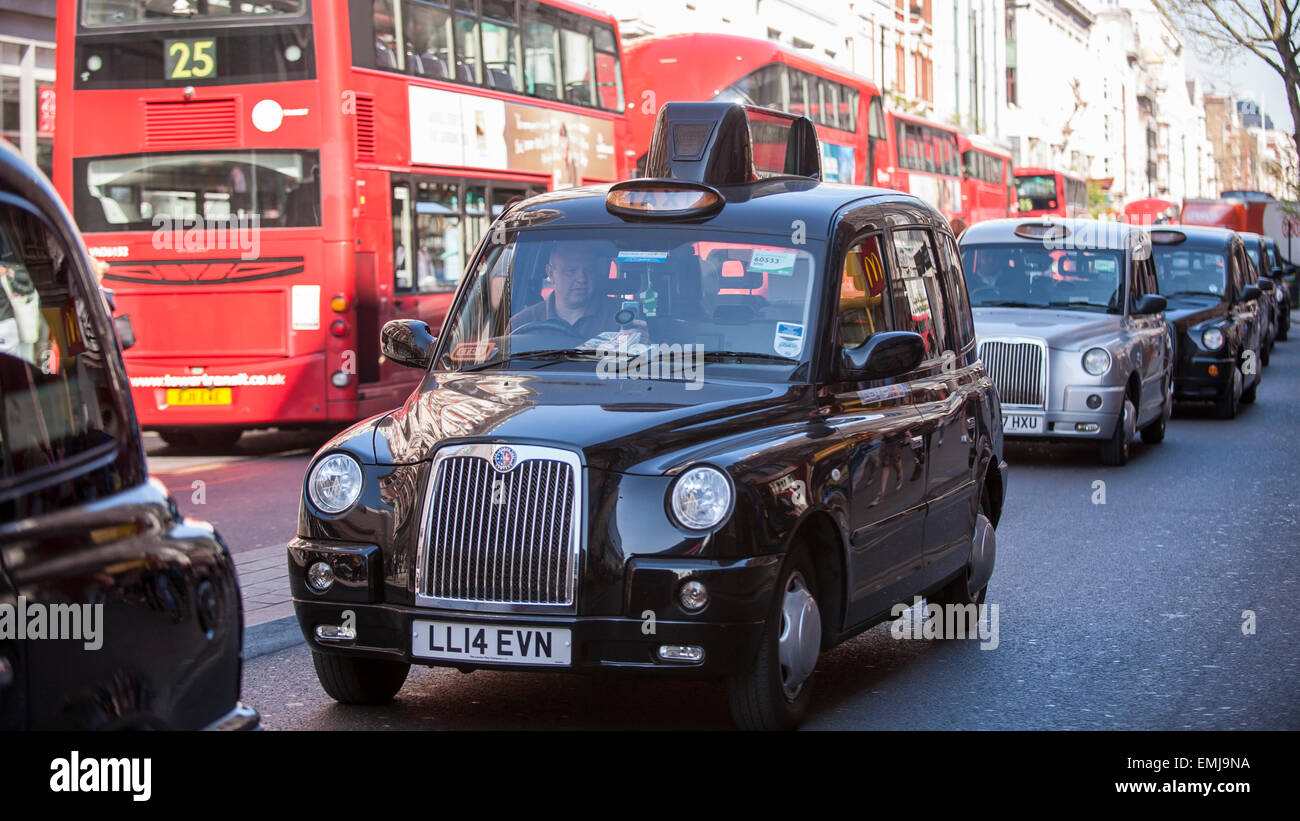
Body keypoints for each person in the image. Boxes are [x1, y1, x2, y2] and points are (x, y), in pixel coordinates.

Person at [509, 243, 627, 340]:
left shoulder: (621, 317)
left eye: (588, 270)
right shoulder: (521, 324)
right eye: (571, 271)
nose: (581, 279)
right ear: (551, 274)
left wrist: (639, 342)